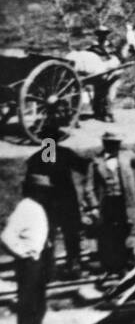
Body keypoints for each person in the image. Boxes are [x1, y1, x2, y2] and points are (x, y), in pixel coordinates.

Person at [24, 106, 89, 278]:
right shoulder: (60, 155)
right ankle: (61, 265)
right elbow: (85, 167)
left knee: (61, 234)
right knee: (62, 234)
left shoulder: (38, 158)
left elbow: (85, 167)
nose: (48, 144)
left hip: (55, 203)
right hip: (57, 202)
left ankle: (55, 267)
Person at [2, 173, 56, 324]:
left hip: (39, 261)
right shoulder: (24, 208)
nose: (45, 193)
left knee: (39, 306)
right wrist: (23, 253)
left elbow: (37, 233)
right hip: (29, 264)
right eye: (42, 190)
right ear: (33, 190)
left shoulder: (38, 207)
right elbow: (6, 236)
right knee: (28, 306)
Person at [88, 130, 135, 278]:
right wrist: (93, 206)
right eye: (111, 143)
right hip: (105, 203)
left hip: (122, 201)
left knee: (122, 232)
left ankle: (121, 265)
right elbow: (89, 187)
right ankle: (107, 266)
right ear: (104, 144)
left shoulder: (127, 156)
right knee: (105, 234)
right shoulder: (96, 161)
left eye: (116, 143)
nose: (114, 146)